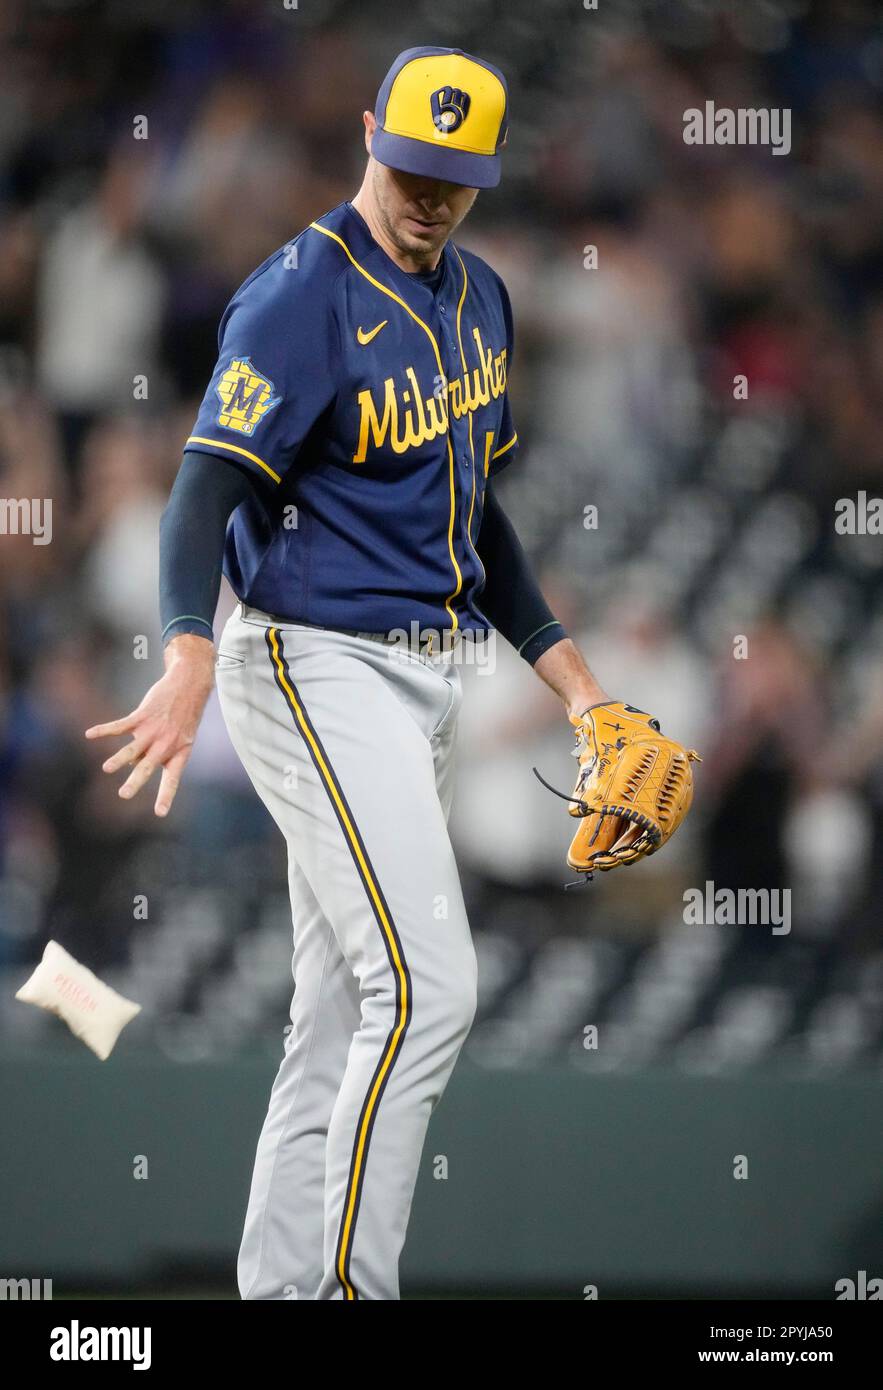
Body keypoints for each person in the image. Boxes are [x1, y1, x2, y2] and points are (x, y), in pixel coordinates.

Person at [86, 46, 612, 1300]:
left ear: (487, 176)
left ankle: (277, 1289)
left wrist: (582, 689)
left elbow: (474, 523)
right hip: (314, 665)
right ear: (369, 131)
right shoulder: (299, 294)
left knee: (333, 1024)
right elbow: (205, 482)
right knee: (431, 989)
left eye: (453, 178)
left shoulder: (481, 297)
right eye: (408, 165)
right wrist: (189, 646)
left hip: (421, 681)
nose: (425, 195)